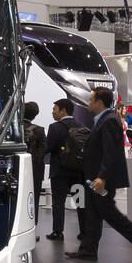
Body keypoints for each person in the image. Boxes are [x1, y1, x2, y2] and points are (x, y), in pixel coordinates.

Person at [66, 86, 132, 263]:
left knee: (109, 214)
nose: (89, 103)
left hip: (101, 180)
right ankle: (88, 250)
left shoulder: (110, 121)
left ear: (99, 102)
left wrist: (103, 177)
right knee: (92, 214)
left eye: (91, 99)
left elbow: (112, 152)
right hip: (94, 178)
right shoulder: (103, 120)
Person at [45, 97, 85, 241]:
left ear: (63, 111)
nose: (52, 113)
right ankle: (85, 231)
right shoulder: (81, 126)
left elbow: (48, 148)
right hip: (78, 171)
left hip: (59, 171)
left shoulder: (54, 127)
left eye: (55, 110)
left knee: (58, 202)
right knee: (81, 202)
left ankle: (58, 232)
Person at [23, 101, 47, 230]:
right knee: (34, 199)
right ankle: (32, 228)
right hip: (35, 171)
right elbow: (43, 151)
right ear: (35, 115)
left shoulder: (12, 128)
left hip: (15, 169)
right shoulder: (39, 130)